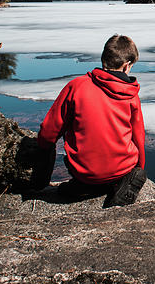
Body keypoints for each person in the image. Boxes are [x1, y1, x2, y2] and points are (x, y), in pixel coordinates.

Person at [37, 34, 147, 207]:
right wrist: (138, 168)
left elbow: (49, 131)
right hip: (121, 168)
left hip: (83, 172)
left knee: (51, 144)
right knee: (123, 166)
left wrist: (42, 153)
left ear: (104, 59)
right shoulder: (130, 95)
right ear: (127, 66)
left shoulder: (77, 86)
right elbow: (138, 137)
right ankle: (119, 182)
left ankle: (84, 185)